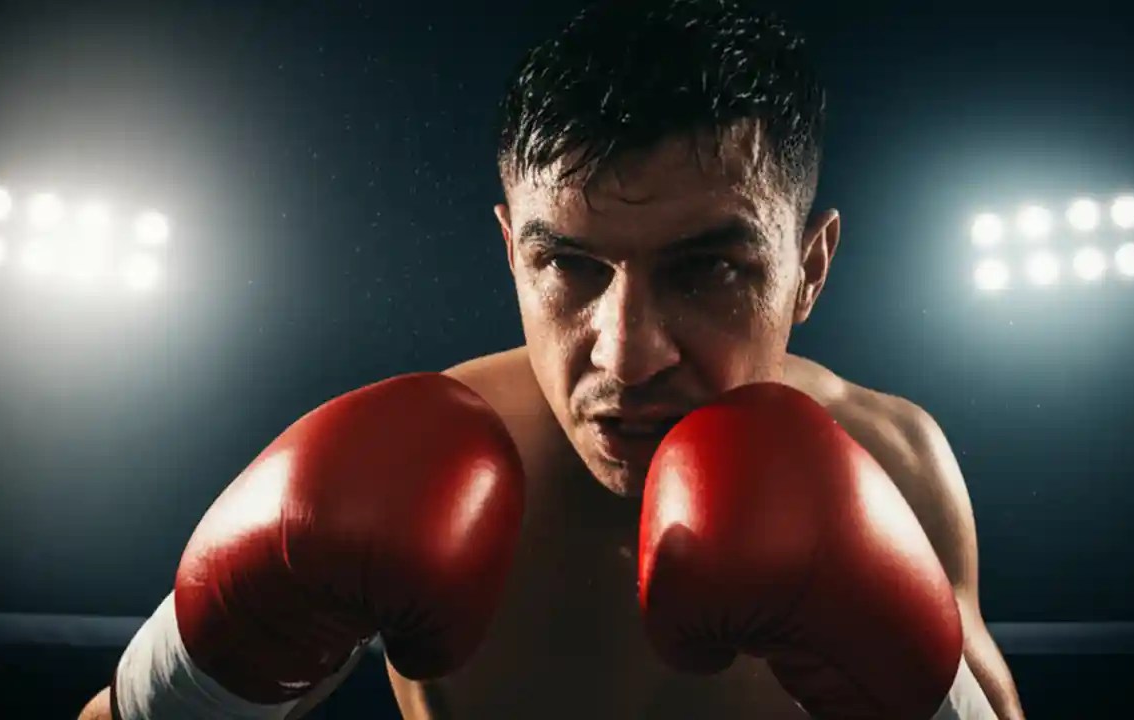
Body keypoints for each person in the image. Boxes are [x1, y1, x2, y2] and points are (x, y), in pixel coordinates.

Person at [80, 1, 1027, 718]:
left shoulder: (893, 465)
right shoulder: (404, 465)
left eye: (710, 270)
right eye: (567, 265)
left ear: (809, 269)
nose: (628, 353)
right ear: (510, 255)